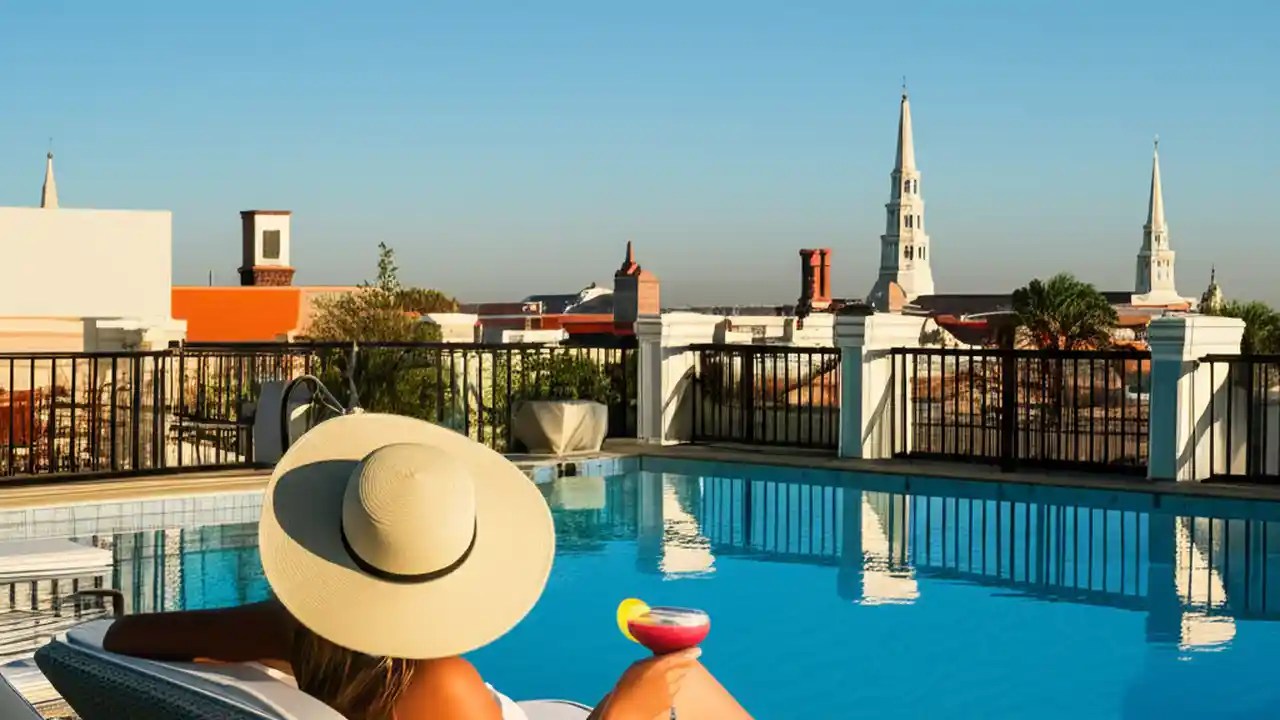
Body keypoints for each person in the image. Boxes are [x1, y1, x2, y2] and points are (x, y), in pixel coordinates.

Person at [103, 413, 750, 720]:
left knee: (680, 684)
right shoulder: (444, 686)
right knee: (683, 687)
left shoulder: (294, 632)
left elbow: (122, 638)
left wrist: (255, 666)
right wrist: (622, 715)